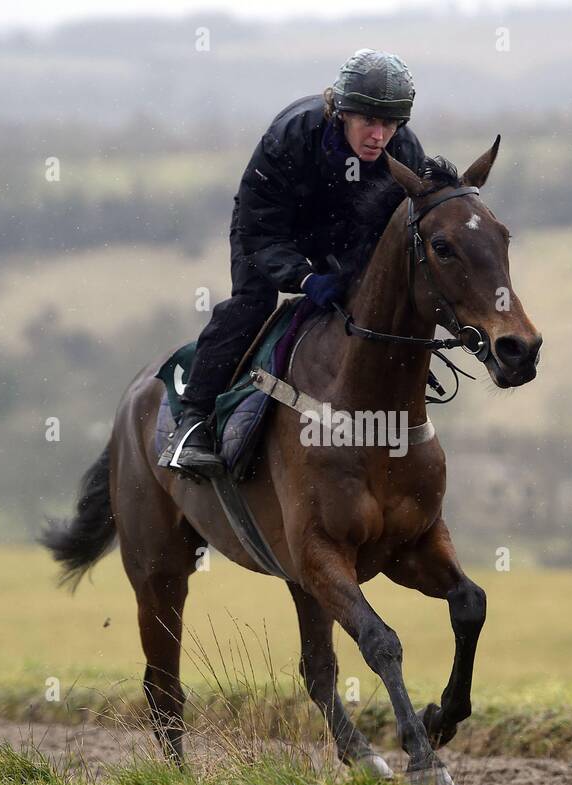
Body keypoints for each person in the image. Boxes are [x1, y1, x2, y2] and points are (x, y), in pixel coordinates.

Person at [159, 48, 429, 478]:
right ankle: (192, 422)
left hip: (342, 234)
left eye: (391, 124)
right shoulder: (291, 135)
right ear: (341, 113)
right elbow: (259, 231)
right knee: (253, 303)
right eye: (369, 122)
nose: (380, 136)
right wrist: (303, 277)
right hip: (271, 227)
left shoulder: (406, 154)